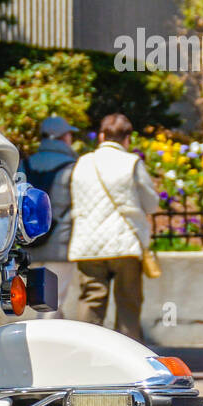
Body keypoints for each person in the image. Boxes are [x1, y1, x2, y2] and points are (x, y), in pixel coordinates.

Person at [67, 113, 161, 340]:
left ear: (101, 136)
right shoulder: (131, 163)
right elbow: (152, 204)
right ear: (127, 138)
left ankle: (87, 352)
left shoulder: (83, 163)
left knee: (91, 300)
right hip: (125, 242)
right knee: (128, 303)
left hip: (88, 244)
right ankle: (129, 356)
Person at [24, 115, 78, 319]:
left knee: (44, 301)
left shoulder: (25, 164)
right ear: (62, 138)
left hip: (32, 242)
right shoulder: (73, 166)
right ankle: (45, 347)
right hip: (60, 243)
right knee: (51, 306)